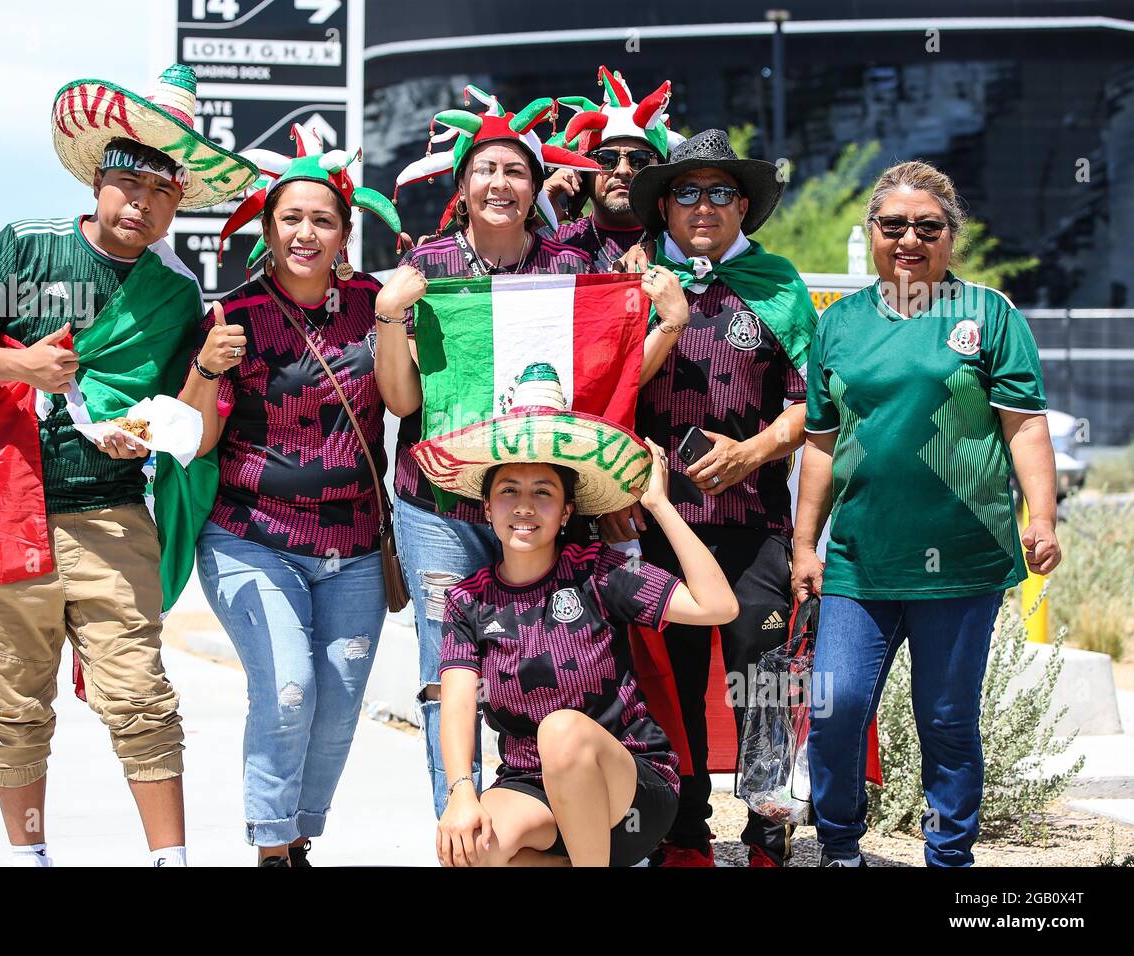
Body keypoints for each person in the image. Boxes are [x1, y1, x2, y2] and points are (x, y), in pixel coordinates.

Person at [0, 64, 258, 867]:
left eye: (161, 192)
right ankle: (29, 858)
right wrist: (27, 370)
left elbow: (182, 414)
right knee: (13, 707)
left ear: (178, 203)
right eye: (127, 184)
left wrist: (162, 413)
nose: (140, 205)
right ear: (99, 178)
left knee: (142, 699)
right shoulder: (26, 246)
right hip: (1, 508)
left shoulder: (177, 294)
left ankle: (169, 860)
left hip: (111, 515)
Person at [794, 160, 1061, 868]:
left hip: (964, 559)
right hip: (860, 559)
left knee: (946, 720)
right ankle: (840, 847)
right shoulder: (839, 324)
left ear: (951, 237)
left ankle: (949, 859)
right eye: (893, 225)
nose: (909, 239)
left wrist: (1043, 517)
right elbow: (820, 445)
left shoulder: (990, 315)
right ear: (871, 232)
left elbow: (1025, 426)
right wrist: (803, 544)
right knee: (837, 707)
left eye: (928, 227)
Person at [377, 87, 602, 816]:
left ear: (536, 190)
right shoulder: (427, 268)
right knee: (449, 672)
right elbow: (404, 403)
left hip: (534, 505)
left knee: (549, 661)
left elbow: (599, 375)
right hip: (438, 504)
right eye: (486, 170)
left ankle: (539, 822)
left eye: (516, 172)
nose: (500, 183)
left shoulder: (570, 268)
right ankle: (459, 823)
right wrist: (389, 317)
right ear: (463, 186)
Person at [419, 362, 739, 866]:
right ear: (486, 507)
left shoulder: (597, 571)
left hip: (630, 790)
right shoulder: (468, 601)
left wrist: (658, 504)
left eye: (543, 492)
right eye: (509, 490)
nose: (524, 506)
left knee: (561, 731)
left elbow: (718, 606)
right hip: (532, 786)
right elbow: (457, 704)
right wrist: (461, 792)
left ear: (567, 510)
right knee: (468, 850)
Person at [187, 125, 404, 867]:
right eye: (291, 218)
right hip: (251, 537)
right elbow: (196, 438)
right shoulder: (232, 316)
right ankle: (272, 847)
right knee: (287, 690)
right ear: (268, 230)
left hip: (354, 549)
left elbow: (408, 397)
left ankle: (299, 834)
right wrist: (207, 369)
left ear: (345, 232)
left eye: (322, 219)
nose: (306, 232)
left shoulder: (376, 304)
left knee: (340, 705)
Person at [607, 129, 820, 866]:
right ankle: (683, 833)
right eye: (688, 192)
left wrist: (751, 452)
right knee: (673, 685)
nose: (704, 205)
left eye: (720, 192)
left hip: (755, 522)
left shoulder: (780, 285)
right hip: (656, 526)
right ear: (663, 205)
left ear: (743, 205)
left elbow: (810, 406)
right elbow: (602, 393)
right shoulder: (625, 281)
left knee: (763, 677)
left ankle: (768, 830)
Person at [542, 66, 683, 270]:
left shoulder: (680, 247)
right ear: (582, 171)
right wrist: (535, 215)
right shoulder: (555, 242)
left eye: (639, 159)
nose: (622, 170)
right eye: (606, 158)